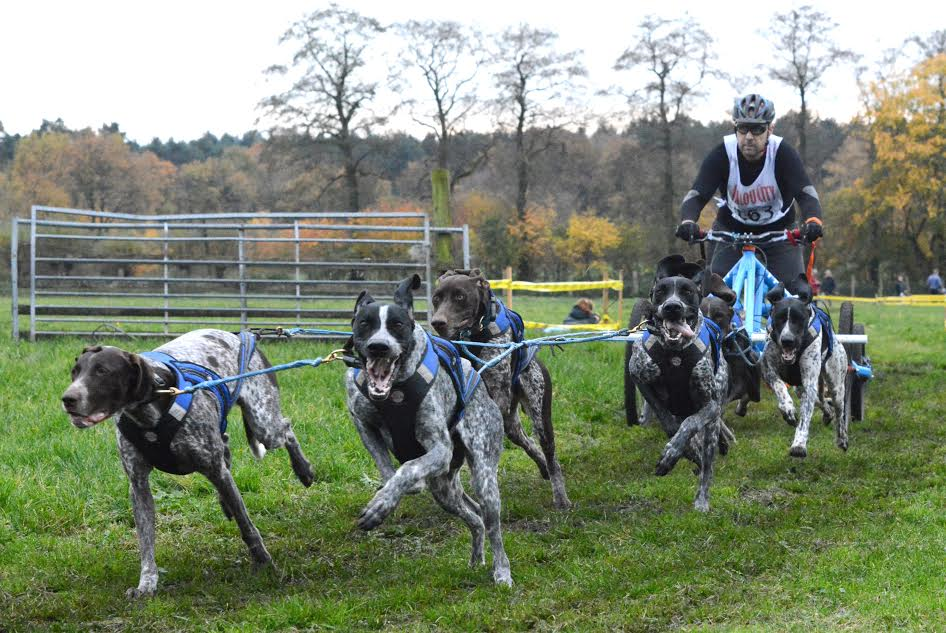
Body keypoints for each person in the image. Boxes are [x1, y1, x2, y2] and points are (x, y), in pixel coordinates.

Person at [674, 93, 824, 285]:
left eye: (757, 129)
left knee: (793, 295)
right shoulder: (723, 154)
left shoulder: (782, 153)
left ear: (770, 129)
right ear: (735, 128)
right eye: (743, 128)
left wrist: (813, 221)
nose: (749, 137)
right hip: (731, 233)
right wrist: (688, 221)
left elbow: (806, 194)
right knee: (713, 293)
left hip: (779, 234)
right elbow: (697, 194)